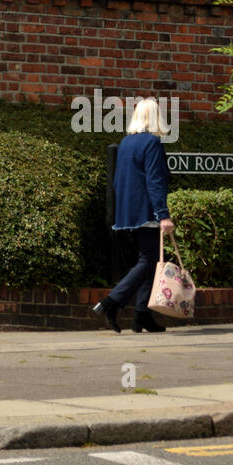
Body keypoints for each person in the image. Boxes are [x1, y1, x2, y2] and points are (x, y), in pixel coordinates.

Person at [93, 97, 174, 334]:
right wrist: (163, 214)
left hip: (129, 211)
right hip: (147, 209)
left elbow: (120, 180)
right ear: (156, 116)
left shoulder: (126, 143)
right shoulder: (153, 143)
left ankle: (142, 315)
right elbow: (155, 180)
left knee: (149, 260)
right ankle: (111, 302)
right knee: (149, 260)